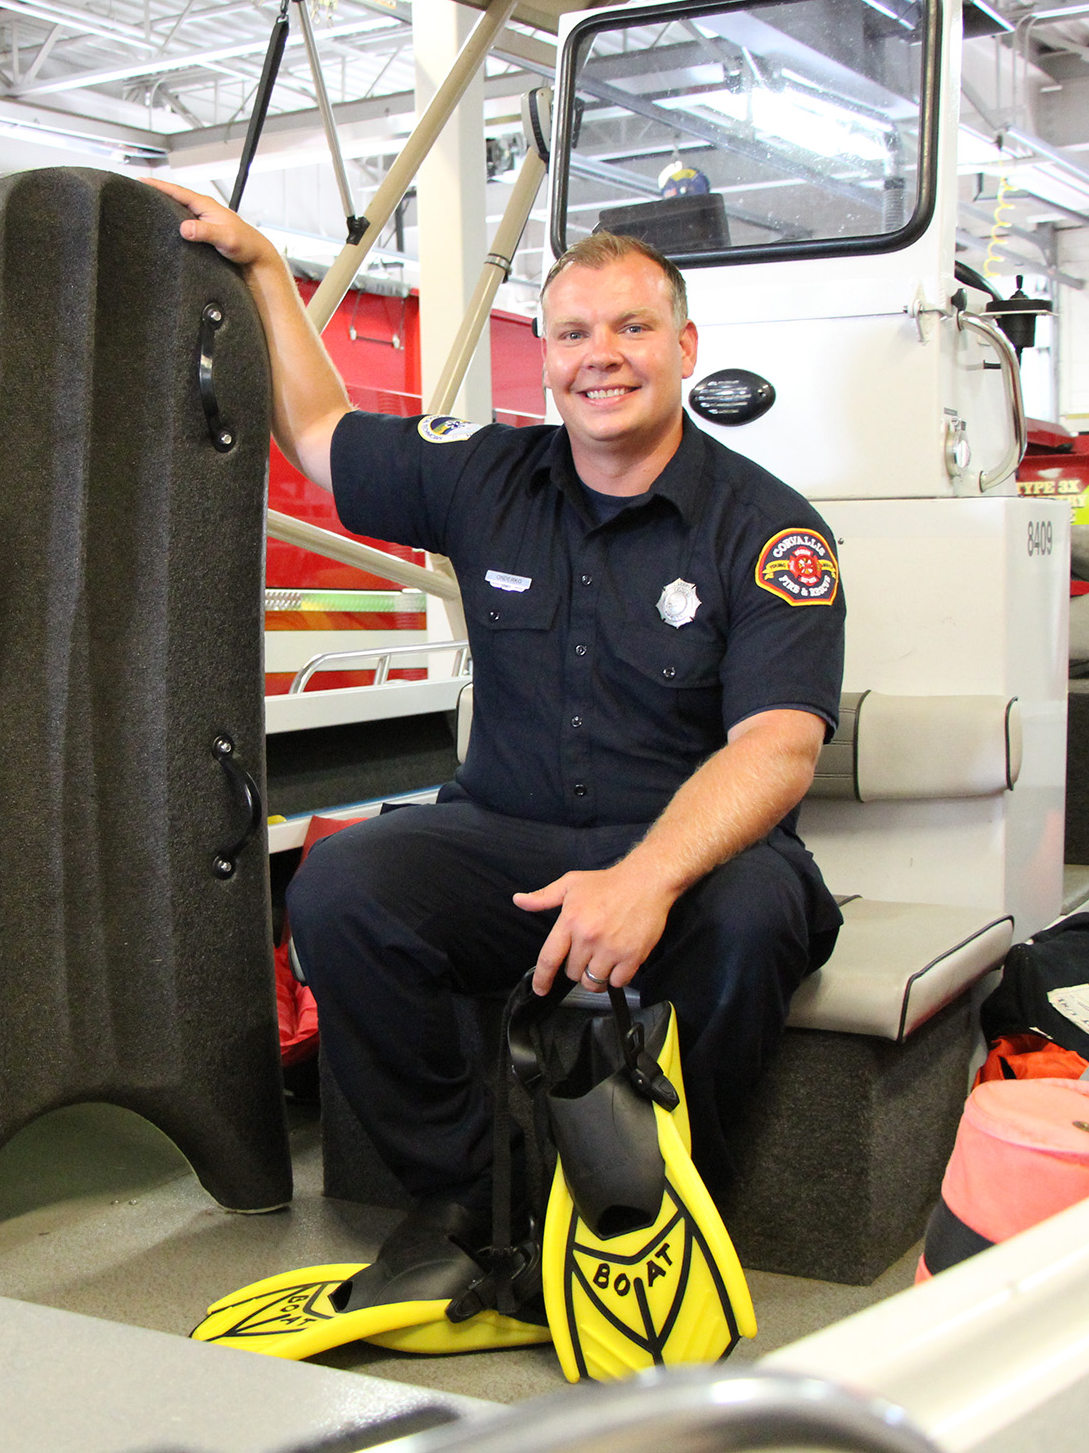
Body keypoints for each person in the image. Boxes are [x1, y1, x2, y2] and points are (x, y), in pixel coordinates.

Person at [149, 177, 844, 1225]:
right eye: (571, 332)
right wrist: (258, 268)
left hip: (689, 857)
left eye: (632, 327)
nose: (599, 353)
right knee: (340, 888)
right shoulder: (485, 474)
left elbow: (781, 746)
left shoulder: (770, 531)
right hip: (507, 839)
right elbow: (321, 432)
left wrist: (645, 877)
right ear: (547, 355)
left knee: (753, 916)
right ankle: (476, 1210)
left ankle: (651, 1210)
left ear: (686, 350)